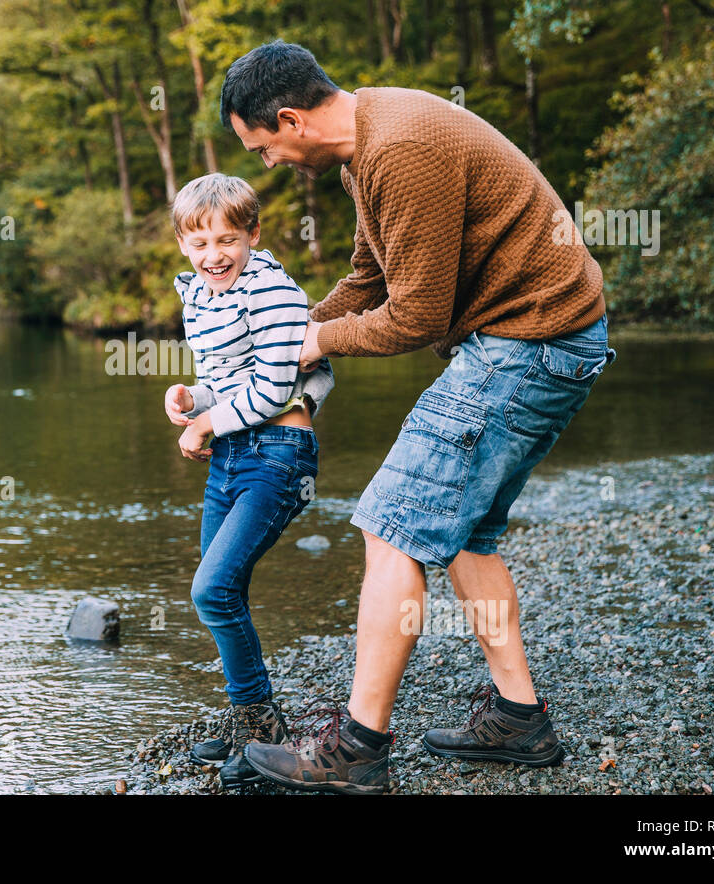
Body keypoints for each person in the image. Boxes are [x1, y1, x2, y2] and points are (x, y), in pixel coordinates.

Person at [217, 41, 616, 794]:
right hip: (547, 337)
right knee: (464, 530)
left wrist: (319, 340)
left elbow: (415, 316)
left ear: (291, 118)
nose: (266, 163)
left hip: (530, 343)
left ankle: (356, 751)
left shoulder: (398, 149)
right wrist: (295, 335)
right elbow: (372, 277)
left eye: (261, 146)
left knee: (390, 523)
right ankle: (519, 721)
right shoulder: (369, 139)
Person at [163, 172, 336, 790]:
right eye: (200, 243)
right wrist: (189, 397)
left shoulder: (272, 289)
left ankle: (261, 731)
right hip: (233, 453)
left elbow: (272, 387)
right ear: (183, 243)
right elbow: (231, 378)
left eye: (227, 241)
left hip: (278, 453)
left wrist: (204, 424)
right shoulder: (198, 295)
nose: (215, 256)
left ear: (253, 235)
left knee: (210, 590)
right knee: (221, 591)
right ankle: (253, 724)